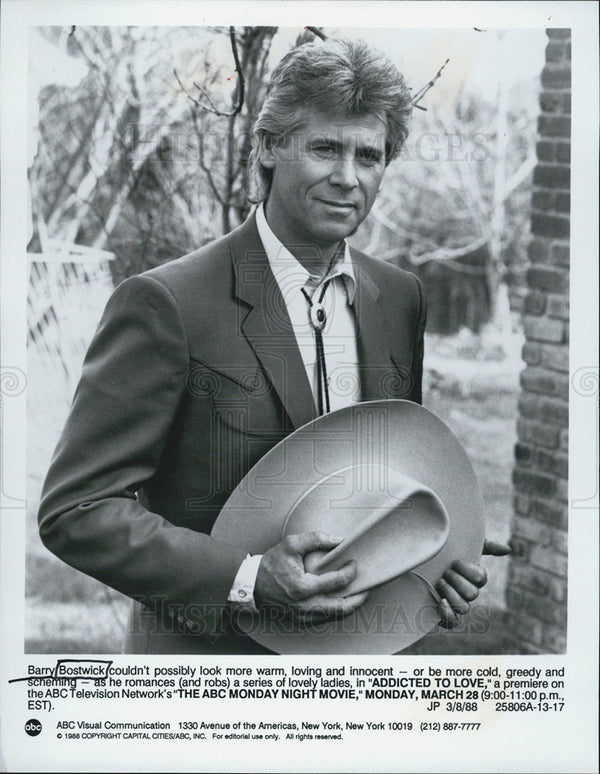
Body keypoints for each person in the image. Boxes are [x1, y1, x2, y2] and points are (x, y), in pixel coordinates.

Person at [38, 37, 509, 654]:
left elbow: (389, 472)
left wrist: (435, 557)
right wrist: (248, 580)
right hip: (208, 679)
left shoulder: (399, 298)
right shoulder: (166, 303)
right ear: (267, 147)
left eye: (368, 155)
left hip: (360, 672)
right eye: (324, 148)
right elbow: (77, 508)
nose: (347, 177)